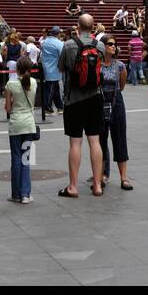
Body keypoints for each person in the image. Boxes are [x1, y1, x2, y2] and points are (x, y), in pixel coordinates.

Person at [57, 13, 105, 197]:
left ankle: (73, 187)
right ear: (92, 27)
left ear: (78, 26)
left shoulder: (69, 44)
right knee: (95, 140)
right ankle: (98, 185)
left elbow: (61, 68)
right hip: (95, 97)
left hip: (74, 98)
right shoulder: (99, 45)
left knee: (75, 143)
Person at [99, 36, 132, 189]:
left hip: (116, 101)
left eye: (114, 44)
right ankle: (102, 175)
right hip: (100, 102)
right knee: (101, 140)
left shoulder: (120, 66)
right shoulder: (96, 65)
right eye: (110, 44)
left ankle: (123, 178)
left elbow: (122, 86)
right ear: (103, 46)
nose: (113, 46)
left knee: (119, 138)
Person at [5, 54, 38, 202]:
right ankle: (26, 194)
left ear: (17, 69)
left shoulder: (11, 85)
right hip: (29, 125)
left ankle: (16, 194)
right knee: (26, 159)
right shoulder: (33, 83)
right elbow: (33, 103)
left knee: (16, 159)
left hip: (16, 125)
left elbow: (7, 108)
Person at [41, 28, 64, 114]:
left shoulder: (45, 42)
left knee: (54, 88)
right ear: (58, 34)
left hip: (46, 67)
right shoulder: (58, 43)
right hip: (54, 68)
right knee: (50, 89)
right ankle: (47, 107)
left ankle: (60, 106)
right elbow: (62, 55)